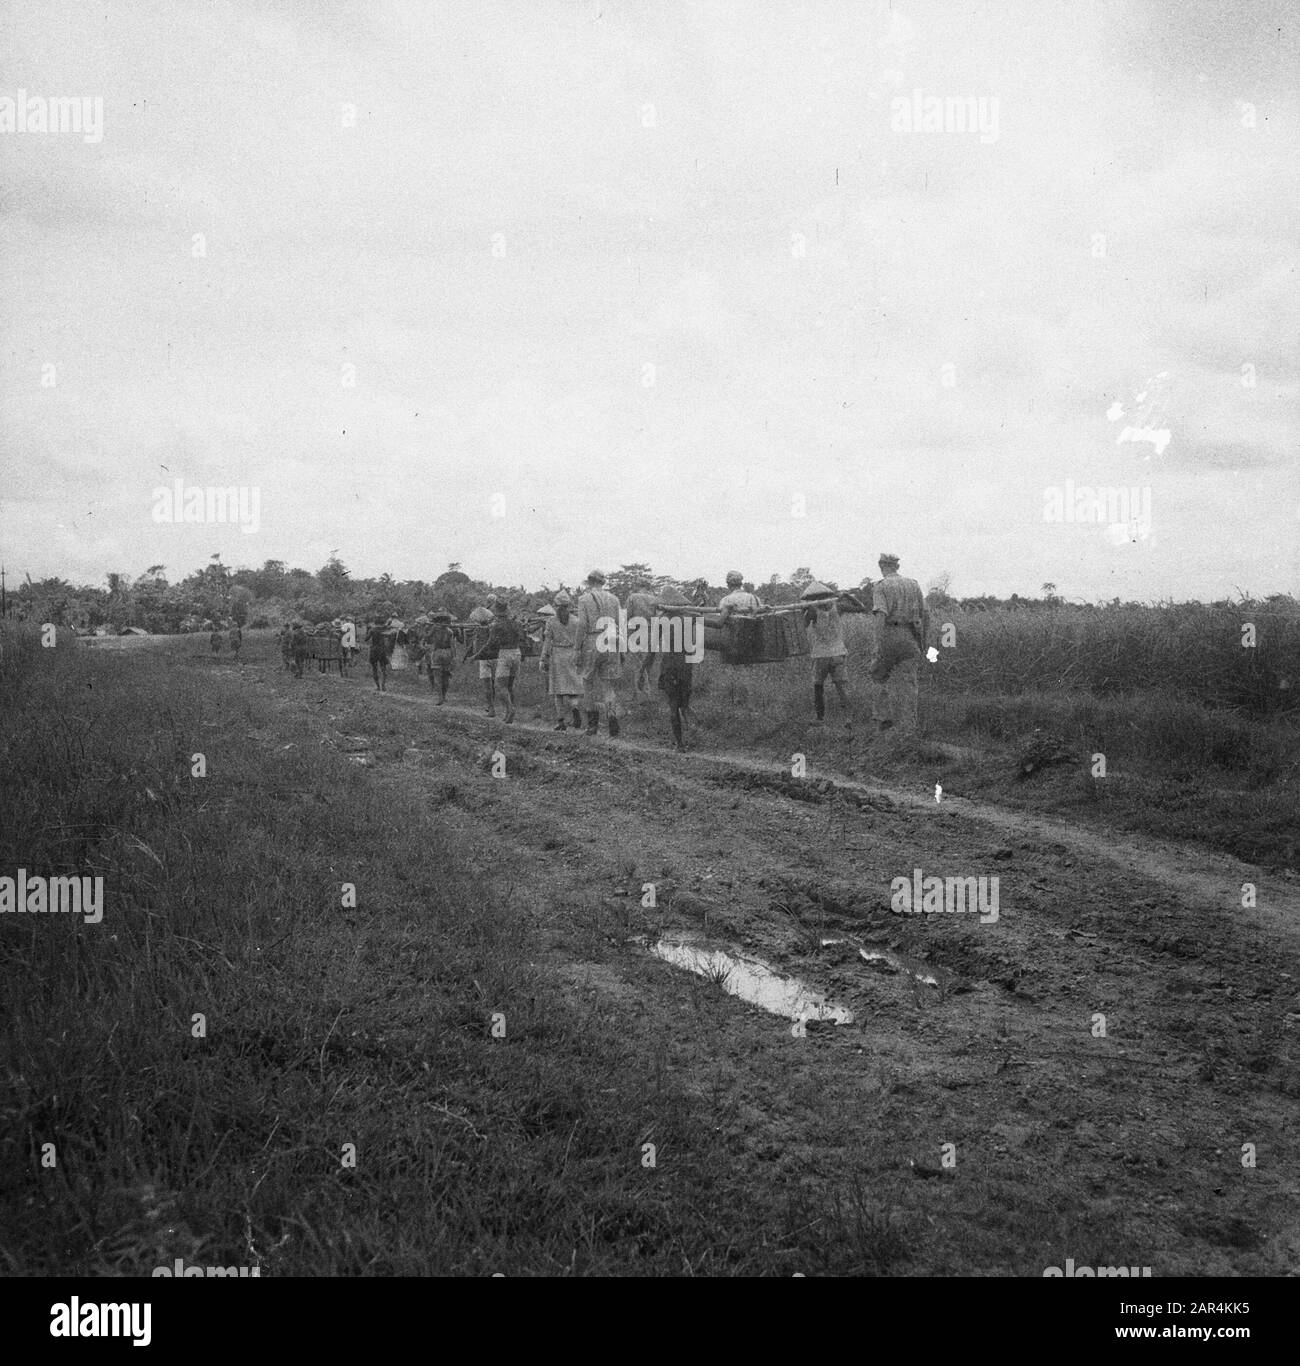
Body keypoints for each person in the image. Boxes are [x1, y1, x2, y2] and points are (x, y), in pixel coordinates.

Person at [870, 553, 928, 734]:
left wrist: (878, 646)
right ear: (897, 566)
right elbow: (926, 614)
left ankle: (884, 720)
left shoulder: (881, 586)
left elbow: (881, 616)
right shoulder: (913, 584)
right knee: (909, 682)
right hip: (910, 635)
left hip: (890, 634)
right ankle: (909, 727)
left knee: (878, 675)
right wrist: (923, 641)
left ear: (882, 566)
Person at [575, 569, 622, 737]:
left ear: (589, 582)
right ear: (603, 582)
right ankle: (613, 721)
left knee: (588, 684)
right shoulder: (614, 599)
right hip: (610, 640)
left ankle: (593, 726)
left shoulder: (584, 599)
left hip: (592, 640)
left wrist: (576, 648)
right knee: (607, 685)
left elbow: (582, 625)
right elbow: (618, 624)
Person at [802, 584, 850, 727]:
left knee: (818, 686)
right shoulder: (838, 607)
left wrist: (803, 610)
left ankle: (820, 718)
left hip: (821, 654)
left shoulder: (812, 610)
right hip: (838, 653)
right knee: (842, 688)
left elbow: (802, 626)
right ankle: (848, 718)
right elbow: (861, 607)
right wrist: (847, 596)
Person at [654, 588, 696, 752]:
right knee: (684, 704)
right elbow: (719, 623)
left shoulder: (661, 621)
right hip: (686, 665)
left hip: (669, 665)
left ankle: (680, 744)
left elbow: (651, 650)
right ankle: (693, 732)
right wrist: (727, 612)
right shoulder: (690, 617)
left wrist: (644, 668)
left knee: (673, 706)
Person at [472, 598, 525, 723]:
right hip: (517, 652)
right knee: (510, 686)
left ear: (496, 611)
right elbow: (523, 638)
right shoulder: (516, 623)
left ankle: (510, 709)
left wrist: (476, 656)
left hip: (505, 654)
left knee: (500, 686)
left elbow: (490, 644)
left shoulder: (497, 626)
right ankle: (509, 712)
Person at [539, 591, 584, 730]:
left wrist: (543, 658)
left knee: (558, 691)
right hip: (572, 654)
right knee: (573, 688)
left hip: (557, 655)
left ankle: (561, 721)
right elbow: (581, 641)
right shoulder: (576, 621)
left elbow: (547, 642)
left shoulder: (551, 621)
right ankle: (575, 708)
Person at [624, 585, 659, 697]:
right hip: (651, 633)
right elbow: (658, 617)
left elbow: (626, 616)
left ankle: (642, 693)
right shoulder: (654, 599)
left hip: (637, 632)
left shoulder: (633, 597)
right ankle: (643, 691)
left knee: (638, 665)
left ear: (637, 586)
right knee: (647, 664)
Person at [465, 599, 498, 716]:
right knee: (494, 683)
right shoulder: (492, 627)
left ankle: (491, 707)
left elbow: (478, 645)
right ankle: (492, 707)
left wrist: (473, 656)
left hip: (484, 658)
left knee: (487, 684)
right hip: (495, 657)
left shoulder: (479, 630)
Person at [425, 612, 455, 704]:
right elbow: (452, 645)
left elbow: (427, 638)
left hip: (438, 652)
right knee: (446, 676)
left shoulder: (435, 629)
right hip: (447, 652)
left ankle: (440, 697)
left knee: (438, 676)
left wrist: (429, 629)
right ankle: (444, 696)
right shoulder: (450, 631)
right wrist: (453, 657)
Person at [365, 616, 394, 692]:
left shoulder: (372, 629)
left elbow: (366, 639)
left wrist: (368, 630)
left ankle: (378, 686)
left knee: (374, 669)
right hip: (382, 649)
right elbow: (390, 636)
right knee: (383, 668)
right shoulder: (385, 629)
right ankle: (383, 686)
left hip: (374, 649)